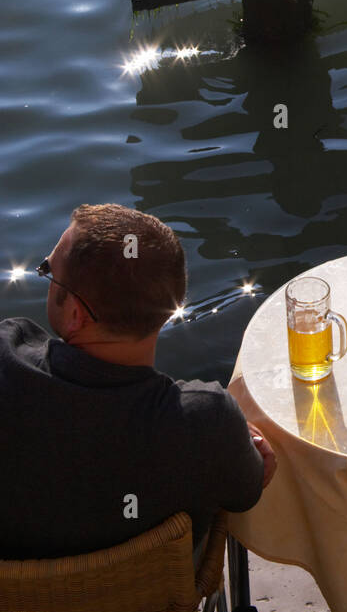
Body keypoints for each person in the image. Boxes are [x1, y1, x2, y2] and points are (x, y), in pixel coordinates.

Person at [0, 203, 275, 560]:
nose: (46, 279)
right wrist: (244, 449)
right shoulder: (206, 423)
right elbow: (246, 490)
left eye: (48, 272)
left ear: (75, 315)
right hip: (156, 610)